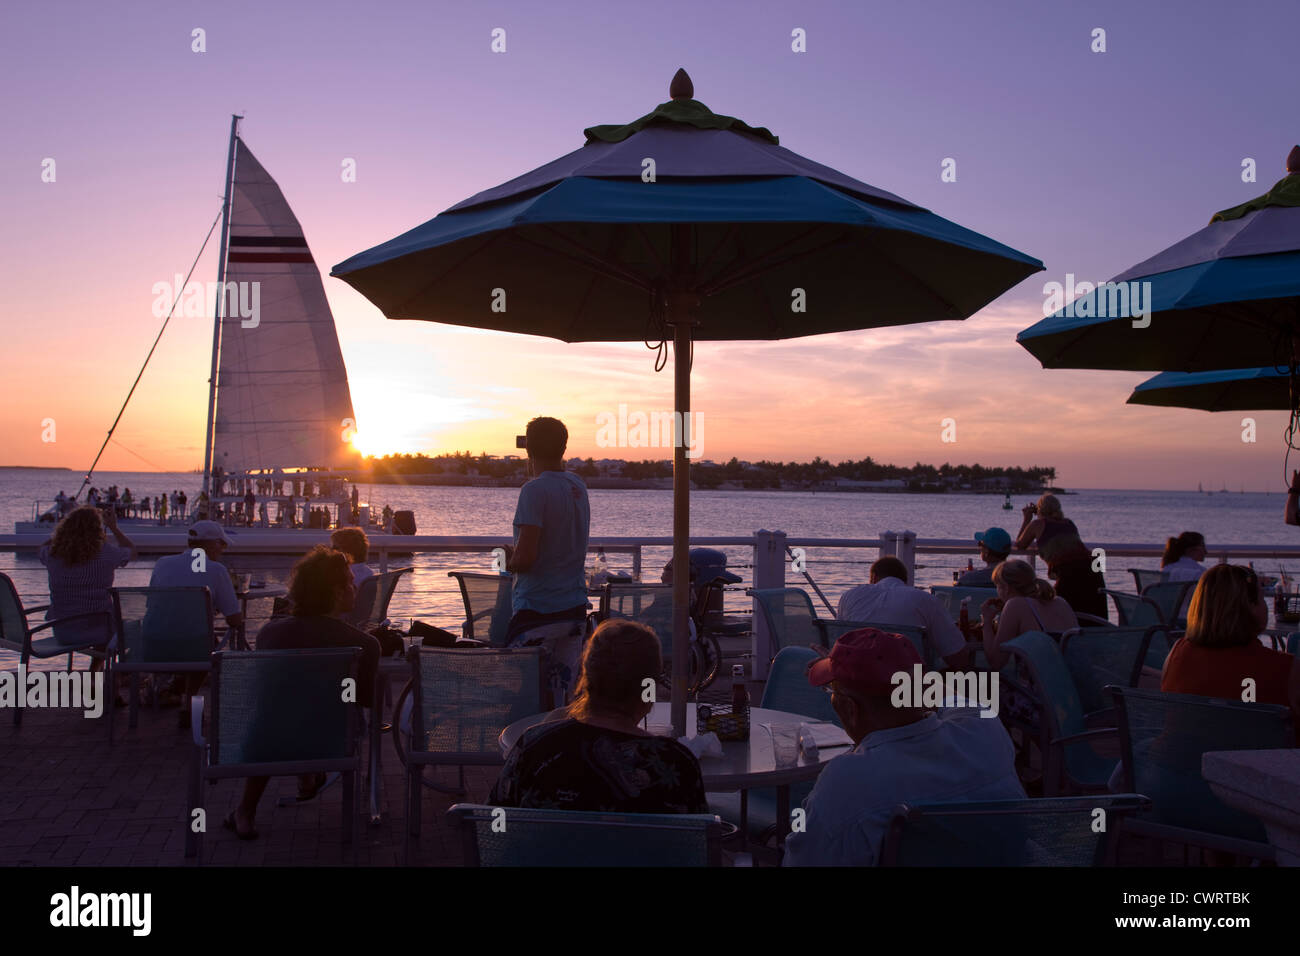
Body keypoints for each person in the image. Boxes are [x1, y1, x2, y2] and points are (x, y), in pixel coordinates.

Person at [783, 628, 1025, 866]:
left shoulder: (848, 781)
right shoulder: (983, 727)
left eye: (830, 693)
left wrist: (798, 819)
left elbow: (800, 856)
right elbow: (948, 695)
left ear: (850, 709)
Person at [224, 546, 381, 839]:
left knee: (278, 716)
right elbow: (366, 700)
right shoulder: (363, 644)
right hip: (333, 741)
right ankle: (310, 775)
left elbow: (270, 692)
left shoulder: (269, 634)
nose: (354, 587)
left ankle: (246, 810)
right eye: (349, 582)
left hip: (269, 740)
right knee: (318, 714)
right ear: (335, 592)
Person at [490, 619, 707, 813]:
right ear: (648, 688)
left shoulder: (533, 746)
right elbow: (697, 849)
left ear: (586, 678)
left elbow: (493, 823)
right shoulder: (675, 763)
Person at [502, 417, 591, 704]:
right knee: (562, 697)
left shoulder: (533, 490)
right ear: (564, 447)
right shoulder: (578, 486)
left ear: (529, 450)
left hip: (538, 613)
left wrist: (510, 559)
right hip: (574, 610)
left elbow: (526, 558)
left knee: (522, 699)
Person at [1161, 564, 1300, 730]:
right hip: (1252, 754)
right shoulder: (1286, 668)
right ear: (1250, 608)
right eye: (1262, 599)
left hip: (1178, 753)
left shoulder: (1177, 654)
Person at [148, 521, 245, 723]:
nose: (223, 550)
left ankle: (174, 692)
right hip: (193, 650)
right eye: (222, 544)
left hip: (153, 647)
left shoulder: (162, 563)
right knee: (203, 641)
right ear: (210, 545)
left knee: (190, 633)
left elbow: (153, 603)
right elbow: (234, 618)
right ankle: (190, 702)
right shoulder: (216, 569)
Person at [37, 505, 137, 673]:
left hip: (63, 631)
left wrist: (63, 531)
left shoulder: (53, 554)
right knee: (127, 620)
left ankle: (95, 675)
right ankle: (101, 674)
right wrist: (113, 528)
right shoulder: (105, 553)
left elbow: (40, 548)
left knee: (105, 621)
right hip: (99, 629)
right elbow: (132, 552)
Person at [837, 556, 969, 668]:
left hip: (856, 682)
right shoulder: (925, 600)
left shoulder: (849, 597)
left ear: (874, 577)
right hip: (909, 687)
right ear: (905, 581)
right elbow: (956, 657)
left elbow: (839, 643)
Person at [1014, 493, 1106, 623]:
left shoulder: (1037, 524)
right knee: (1090, 616)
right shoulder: (1069, 523)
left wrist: (1026, 518)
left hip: (1069, 574)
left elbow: (1020, 545)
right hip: (1092, 571)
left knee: (1057, 613)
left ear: (1039, 509)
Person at [979, 559, 1079, 670]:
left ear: (1006, 588)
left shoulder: (1015, 605)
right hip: (1074, 681)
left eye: (997, 586)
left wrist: (986, 622)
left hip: (1041, 684)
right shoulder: (1060, 602)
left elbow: (996, 662)